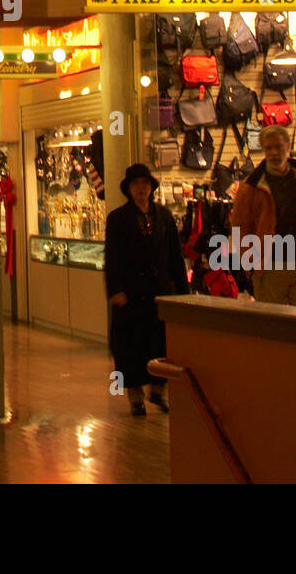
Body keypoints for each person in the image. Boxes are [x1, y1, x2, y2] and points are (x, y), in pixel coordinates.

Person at [104, 163, 188, 416]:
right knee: (131, 347)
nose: (141, 188)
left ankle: (158, 392)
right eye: (136, 184)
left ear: (151, 187)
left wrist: (182, 291)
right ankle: (135, 397)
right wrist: (115, 290)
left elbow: (175, 255)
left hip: (161, 292)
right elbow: (112, 257)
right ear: (128, 189)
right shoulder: (118, 219)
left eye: (145, 184)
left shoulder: (163, 216)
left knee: (160, 344)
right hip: (131, 294)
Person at [230, 125, 296, 309]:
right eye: (268, 148)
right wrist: (252, 264)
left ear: (288, 146)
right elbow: (240, 228)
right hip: (270, 265)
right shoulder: (251, 187)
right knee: (271, 326)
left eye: (278, 147)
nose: (273, 153)